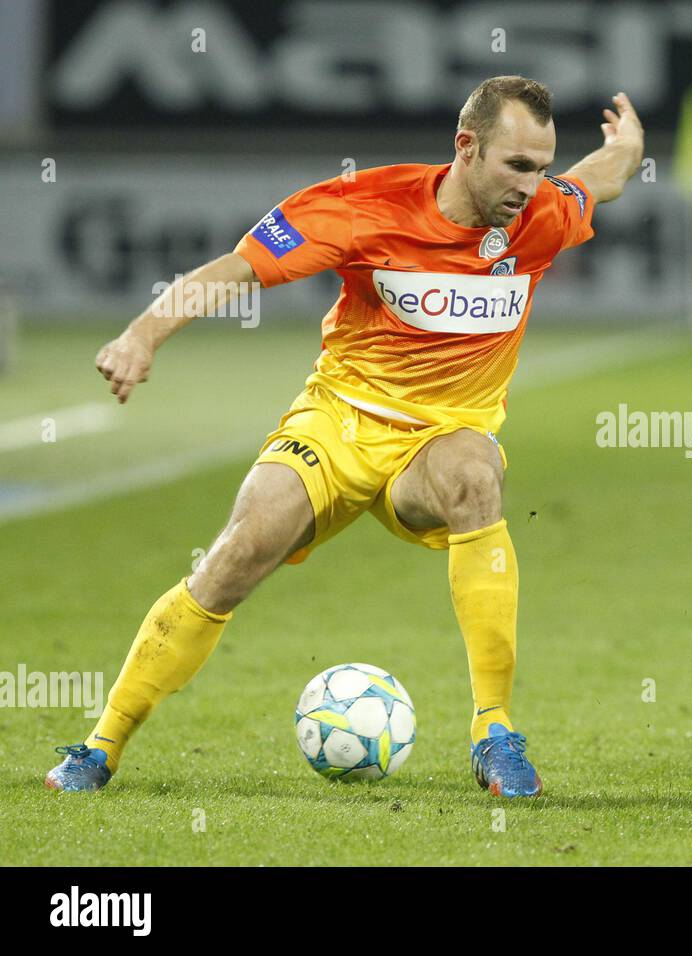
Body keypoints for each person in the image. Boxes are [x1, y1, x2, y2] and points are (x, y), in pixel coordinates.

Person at [46, 75, 644, 798]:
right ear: (466, 147)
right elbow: (236, 269)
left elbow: (596, 180)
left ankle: (494, 732)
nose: (532, 184)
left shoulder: (542, 216)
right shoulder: (365, 207)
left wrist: (628, 148)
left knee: (475, 477)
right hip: (338, 425)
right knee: (238, 552)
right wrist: (143, 337)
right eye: (517, 166)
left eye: (542, 167)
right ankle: (100, 745)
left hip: (440, 440)